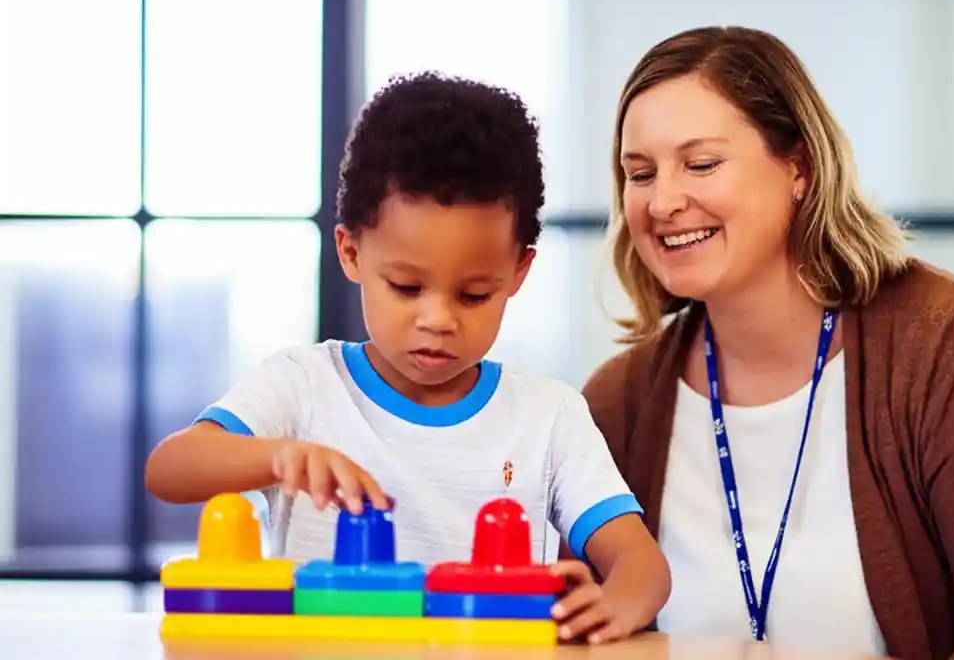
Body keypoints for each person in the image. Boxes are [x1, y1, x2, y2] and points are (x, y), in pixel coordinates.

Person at [581, 26, 954, 658]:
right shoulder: (620, 401)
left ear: (799, 167)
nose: (662, 201)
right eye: (640, 174)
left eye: (702, 164)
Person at [146, 70, 670, 644]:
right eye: (405, 286)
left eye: (474, 294)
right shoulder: (303, 386)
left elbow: (641, 564)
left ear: (519, 270)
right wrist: (277, 456)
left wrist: (616, 605)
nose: (438, 319)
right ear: (351, 252)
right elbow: (171, 469)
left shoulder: (549, 416)